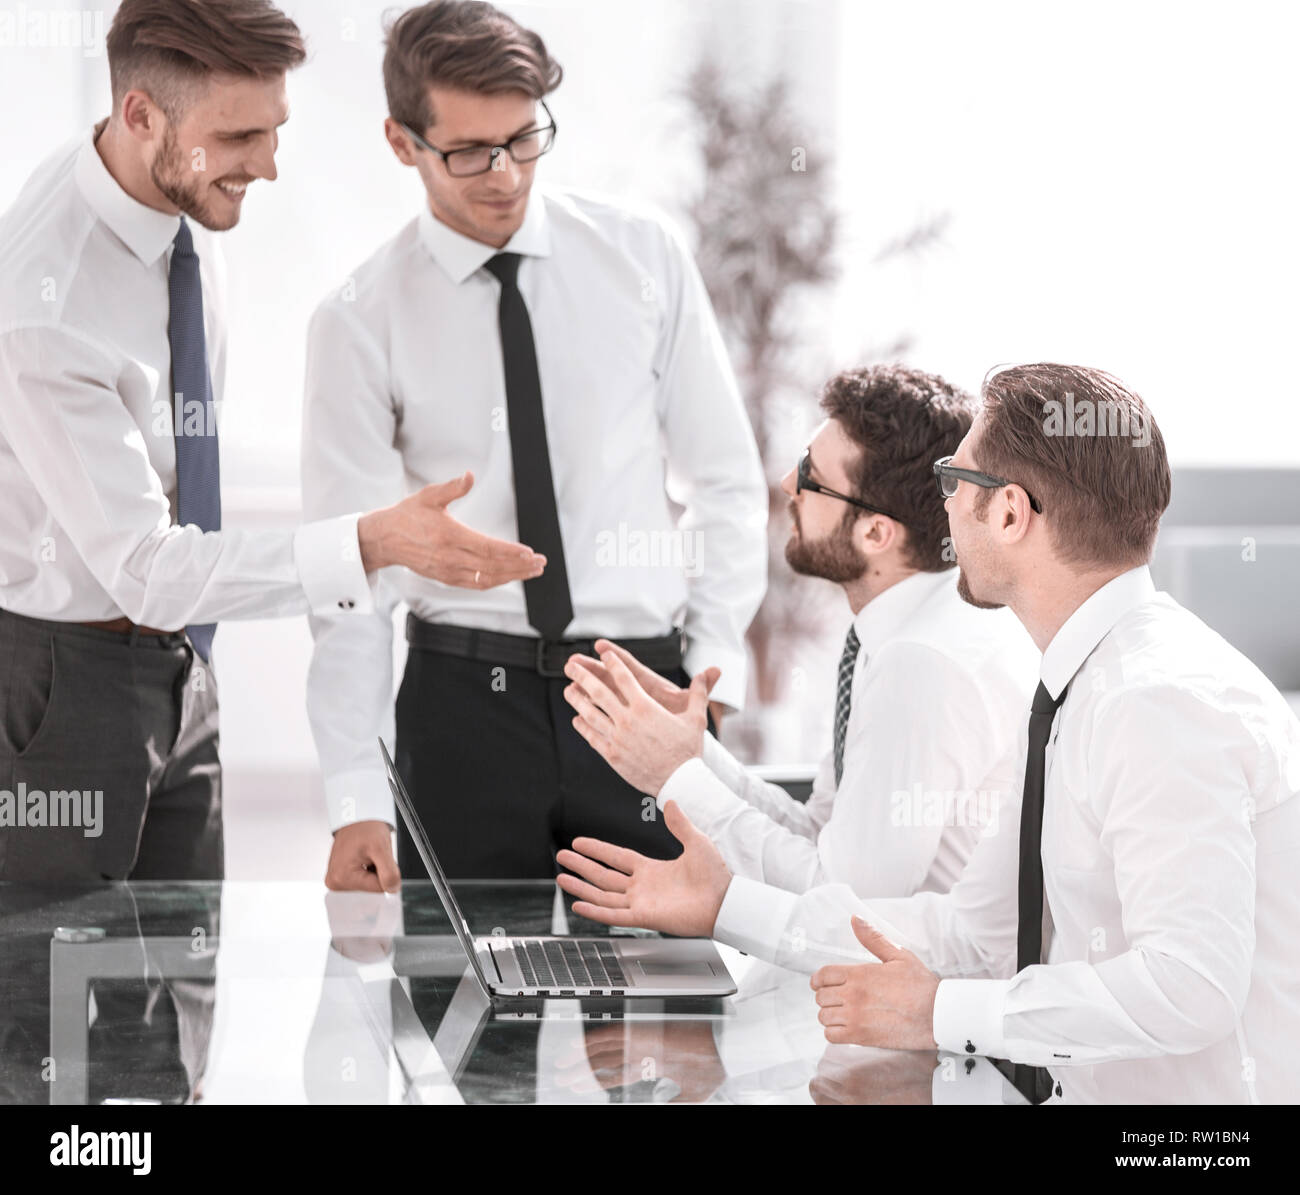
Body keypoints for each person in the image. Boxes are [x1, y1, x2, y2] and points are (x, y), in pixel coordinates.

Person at [557, 363, 1300, 1105]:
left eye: (956, 481)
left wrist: (941, 1011)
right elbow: (974, 934)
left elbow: (1192, 984)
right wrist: (730, 907)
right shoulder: (1078, 686)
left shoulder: (1155, 699)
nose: (941, 510)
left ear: (1010, 514)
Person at [0, 0, 541, 885]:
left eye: (276, 129)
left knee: (186, 979)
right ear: (140, 115)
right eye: (243, 135)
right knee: (59, 1002)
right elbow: (144, 567)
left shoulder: (185, 198)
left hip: (182, 670)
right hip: (64, 685)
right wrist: (369, 541)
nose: (271, 165)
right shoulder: (42, 305)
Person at [303, 0, 767, 887]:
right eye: (470, 150)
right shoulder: (358, 321)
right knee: (457, 1005)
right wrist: (355, 792)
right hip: (462, 707)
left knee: (661, 1011)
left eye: (524, 139)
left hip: (641, 692)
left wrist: (710, 681)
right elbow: (346, 578)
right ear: (402, 142)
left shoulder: (644, 258)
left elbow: (726, 484)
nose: (507, 174)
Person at [562, 364, 1037, 904]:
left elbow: (847, 899)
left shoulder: (920, 665)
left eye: (811, 477)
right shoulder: (899, 631)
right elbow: (823, 839)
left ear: (876, 533)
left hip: (898, 978)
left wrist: (675, 775)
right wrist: (694, 752)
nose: (789, 485)